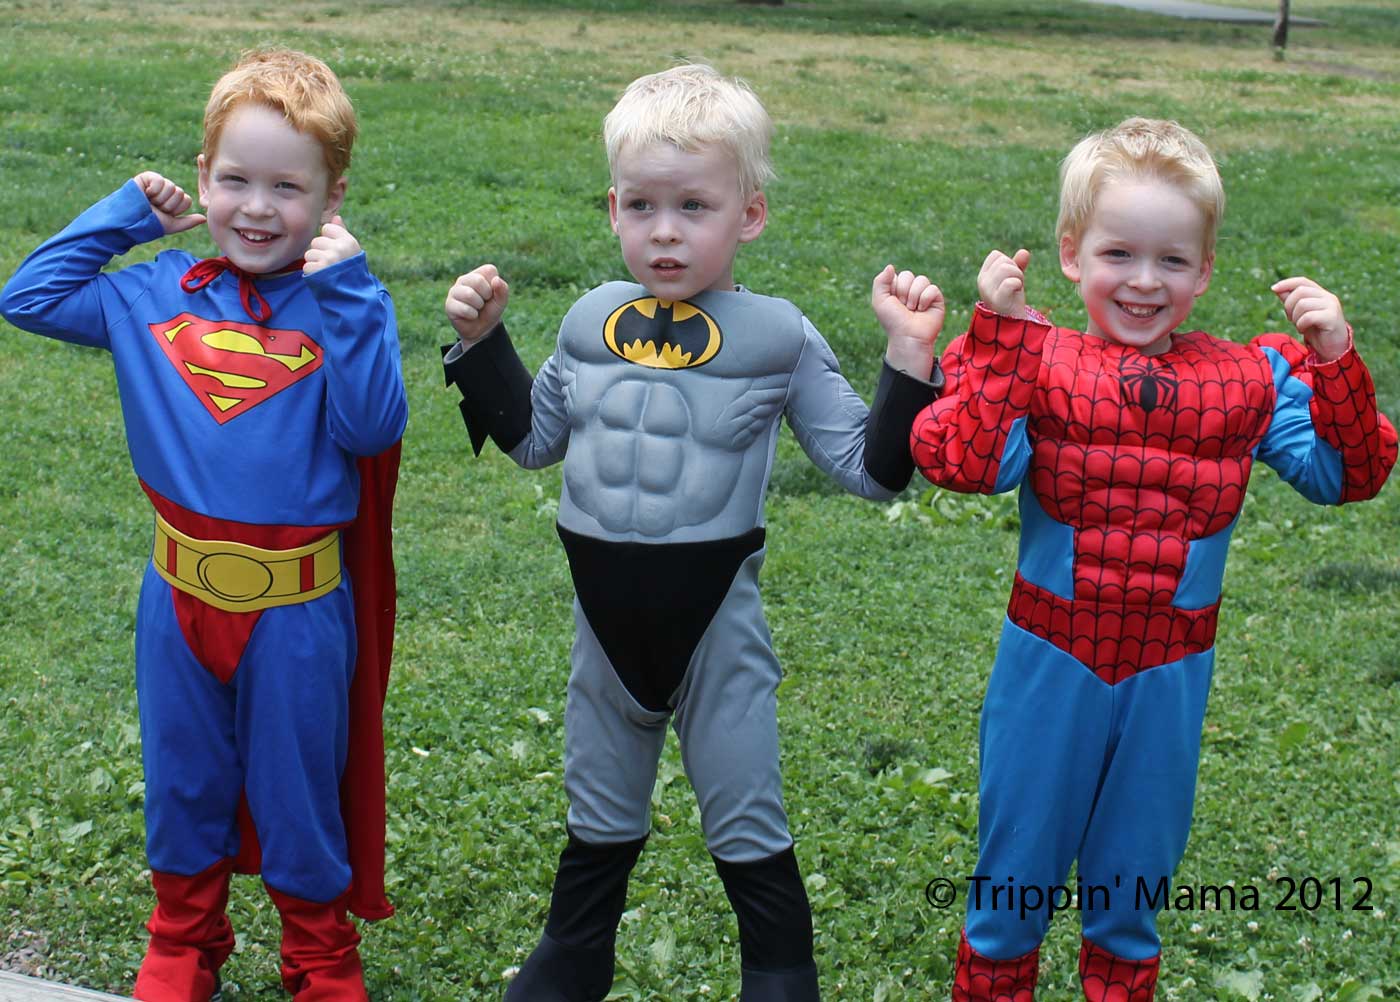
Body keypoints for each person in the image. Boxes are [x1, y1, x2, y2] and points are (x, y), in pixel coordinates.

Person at [440, 63, 946, 1001]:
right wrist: (483, 345)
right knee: (597, 813)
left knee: (746, 816)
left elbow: (872, 472)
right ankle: (573, 959)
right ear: (613, 208)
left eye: (693, 207)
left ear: (748, 215)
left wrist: (908, 358)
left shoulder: (778, 337)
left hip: (715, 623)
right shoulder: (589, 319)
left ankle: (781, 976)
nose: (665, 230)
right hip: (602, 622)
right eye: (641, 205)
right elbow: (533, 443)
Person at [906, 117, 1397, 1000]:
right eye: (1119, 254)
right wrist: (1000, 338)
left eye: (1172, 260)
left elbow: (1348, 476)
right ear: (1071, 254)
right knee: (1012, 883)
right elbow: (965, 464)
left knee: (1132, 889)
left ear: (1204, 270)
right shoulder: (1037, 361)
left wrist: (1336, 362)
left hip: (1170, 674)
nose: (1143, 281)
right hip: (1049, 661)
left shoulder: (1251, 381)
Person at [0, 47, 407, 1002]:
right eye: (235, 180)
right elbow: (27, 296)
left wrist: (350, 295)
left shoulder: (343, 304)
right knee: (182, 775)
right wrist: (128, 216)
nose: (257, 209)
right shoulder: (150, 294)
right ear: (203, 177)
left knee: (299, 784)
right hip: (177, 598)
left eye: (287, 188)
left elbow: (371, 427)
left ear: (332, 197)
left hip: (298, 610)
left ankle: (319, 955)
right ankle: (183, 940)